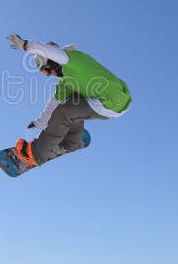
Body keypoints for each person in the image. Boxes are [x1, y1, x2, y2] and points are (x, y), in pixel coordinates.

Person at [7, 33, 131, 167]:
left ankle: (35, 155)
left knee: (64, 113)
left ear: (52, 61)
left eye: (46, 71)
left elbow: (53, 52)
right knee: (71, 103)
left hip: (111, 102)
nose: (49, 75)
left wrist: (27, 45)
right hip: (116, 98)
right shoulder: (67, 80)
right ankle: (71, 142)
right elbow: (55, 101)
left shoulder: (70, 60)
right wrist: (40, 122)